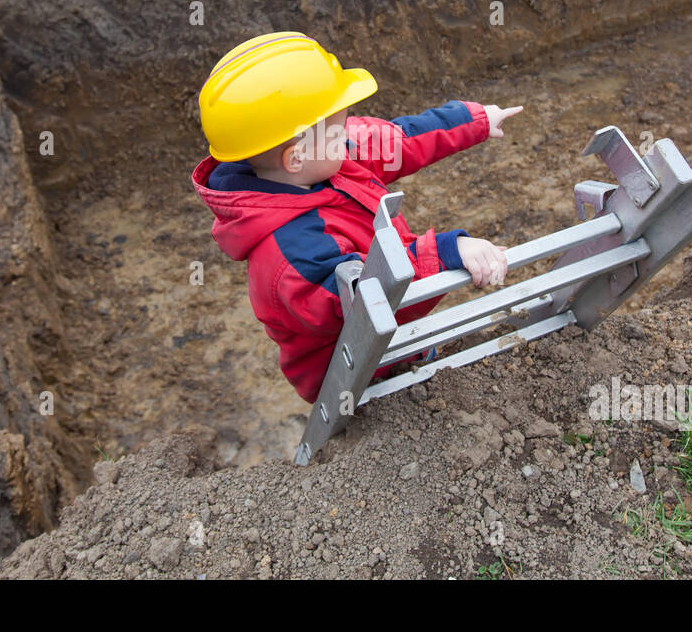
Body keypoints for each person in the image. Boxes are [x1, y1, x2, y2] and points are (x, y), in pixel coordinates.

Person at [191, 31, 522, 403]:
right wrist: (444, 253)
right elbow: (369, 304)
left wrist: (472, 121)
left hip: (394, 334)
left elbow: (396, 139)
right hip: (359, 373)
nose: (348, 134)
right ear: (295, 157)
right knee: (384, 407)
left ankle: (415, 360)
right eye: (338, 129)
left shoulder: (321, 157)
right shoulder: (291, 254)